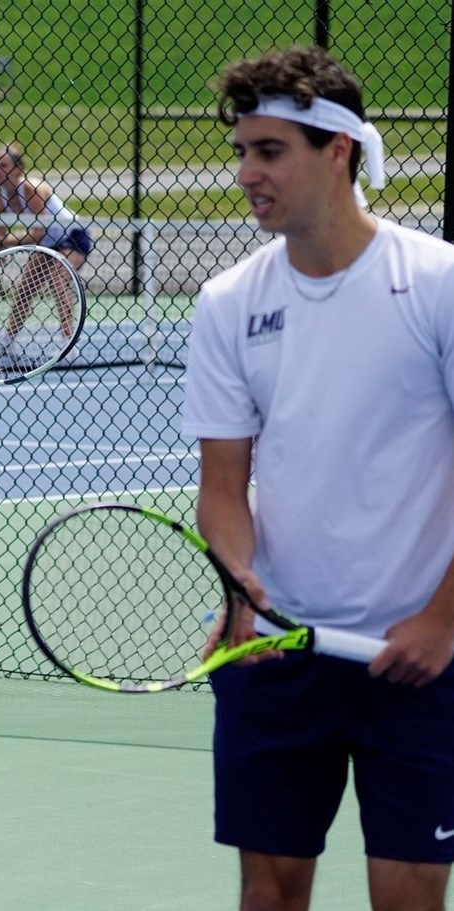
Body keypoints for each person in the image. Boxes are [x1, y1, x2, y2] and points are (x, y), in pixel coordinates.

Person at [182, 45, 454, 911]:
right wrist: (239, 586)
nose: (246, 174)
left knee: (407, 899)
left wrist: (443, 621)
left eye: (270, 152)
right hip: (278, 656)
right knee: (267, 895)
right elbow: (224, 485)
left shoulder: (438, 285)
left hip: (419, 661)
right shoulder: (228, 302)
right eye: (241, 152)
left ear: (337, 151)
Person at [0, 141, 91, 359]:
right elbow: (0, 237)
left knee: (59, 279)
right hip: (48, 243)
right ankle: (7, 342)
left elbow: (39, 232)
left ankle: (69, 345)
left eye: (4, 165)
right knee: (25, 288)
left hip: (73, 235)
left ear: (18, 168)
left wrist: (7, 242)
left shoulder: (31, 188)